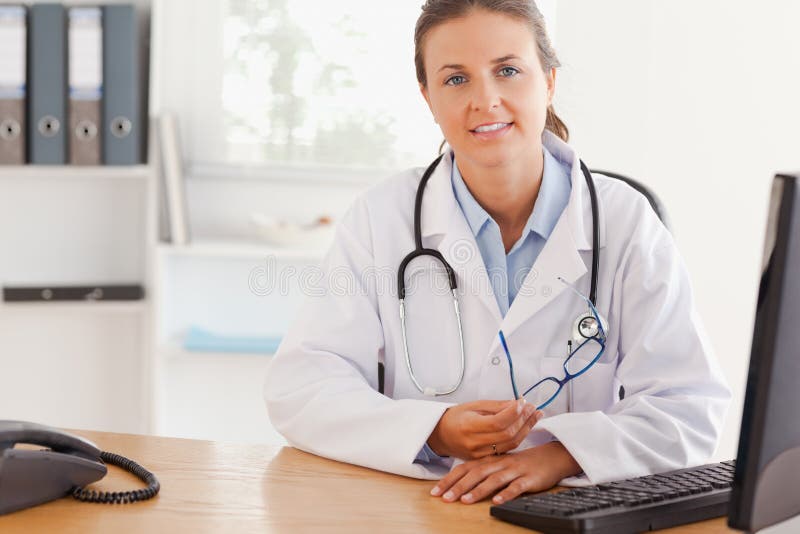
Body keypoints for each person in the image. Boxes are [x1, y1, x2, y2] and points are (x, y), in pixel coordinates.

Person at [264, 0, 730, 506]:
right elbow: (302, 387)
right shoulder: (382, 217)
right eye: (456, 79)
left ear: (548, 81)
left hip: (570, 509)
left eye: (507, 70)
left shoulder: (624, 221)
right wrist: (435, 430)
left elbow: (687, 406)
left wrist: (557, 457)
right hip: (426, 509)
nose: (485, 101)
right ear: (427, 96)